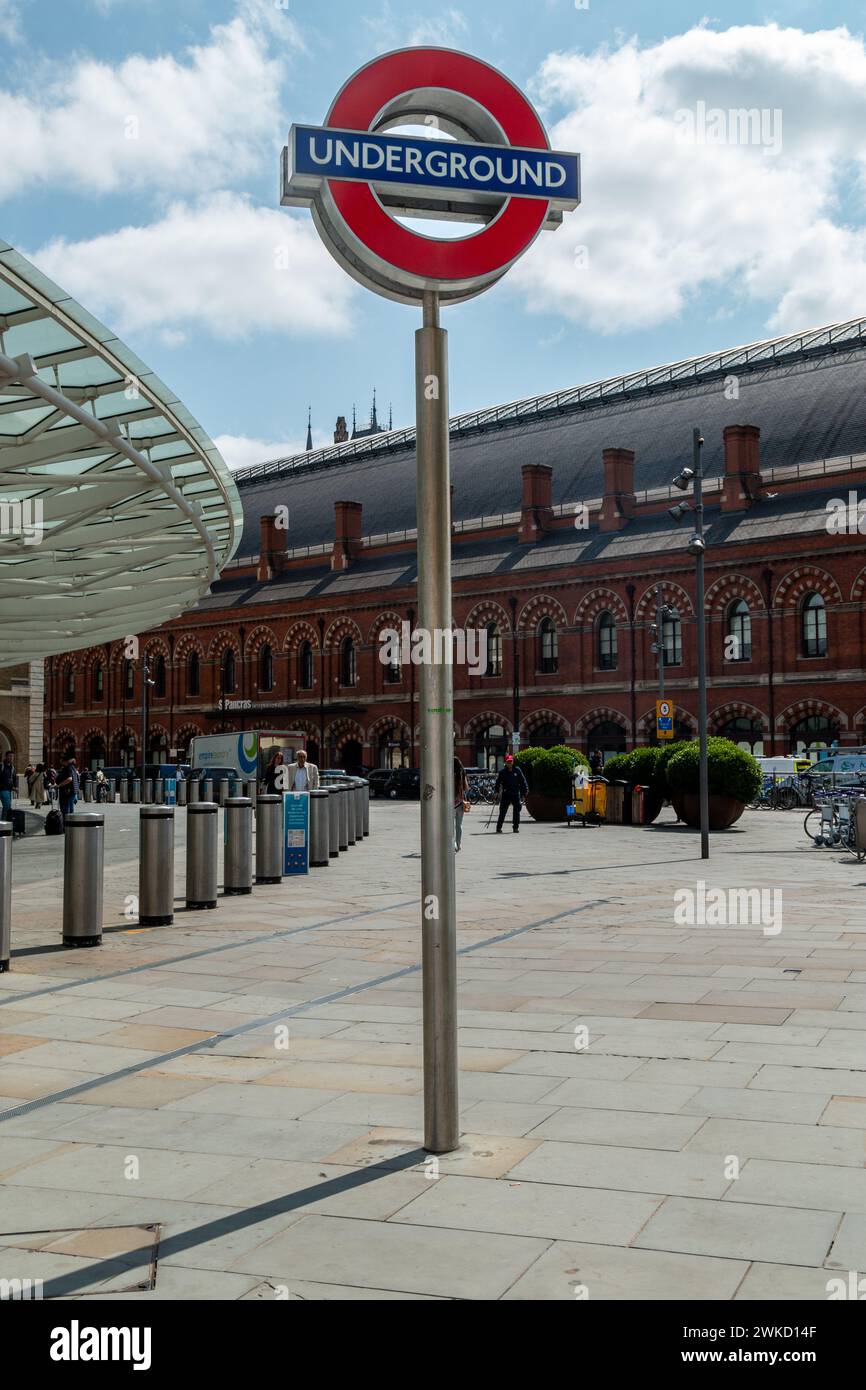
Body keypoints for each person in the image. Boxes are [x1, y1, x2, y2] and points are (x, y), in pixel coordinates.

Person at [494, 754, 528, 833]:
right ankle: (499, 827)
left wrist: (526, 790)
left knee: (517, 811)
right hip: (506, 794)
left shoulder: (517, 770)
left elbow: (523, 781)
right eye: (508, 762)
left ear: (513, 762)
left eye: (511, 761)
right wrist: (496, 792)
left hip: (515, 794)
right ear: (505, 762)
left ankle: (515, 827)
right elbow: (497, 783)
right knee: (502, 812)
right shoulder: (502, 772)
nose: (509, 763)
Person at [56, 753, 80, 822]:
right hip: (72, 791)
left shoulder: (67, 768)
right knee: (70, 809)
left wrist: (59, 785)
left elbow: (69, 779)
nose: (60, 761)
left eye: (61, 760)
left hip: (67, 792)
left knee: (66, 810)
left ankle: (66, 825)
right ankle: (70, 825)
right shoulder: (73, 767)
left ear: (65, 761)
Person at [453, 755, 468, 852]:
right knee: (459, 825)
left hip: (451, 804)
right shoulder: (462, 774)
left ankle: (453, 844)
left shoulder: (450, 774)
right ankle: (458, 844)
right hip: (461, 803)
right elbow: (466, 788)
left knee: (450, 826)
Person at [0, 750, 16, 820]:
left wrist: (14, 787)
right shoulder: (1, 766)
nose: (11, 758)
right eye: (9, 756)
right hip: (3, 789)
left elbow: (13, 778)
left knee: (7, 808)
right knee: (7, 806)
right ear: (6, 757)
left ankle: (3, 824)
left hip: (9, 790)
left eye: (12, 756)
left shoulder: (12, 767)